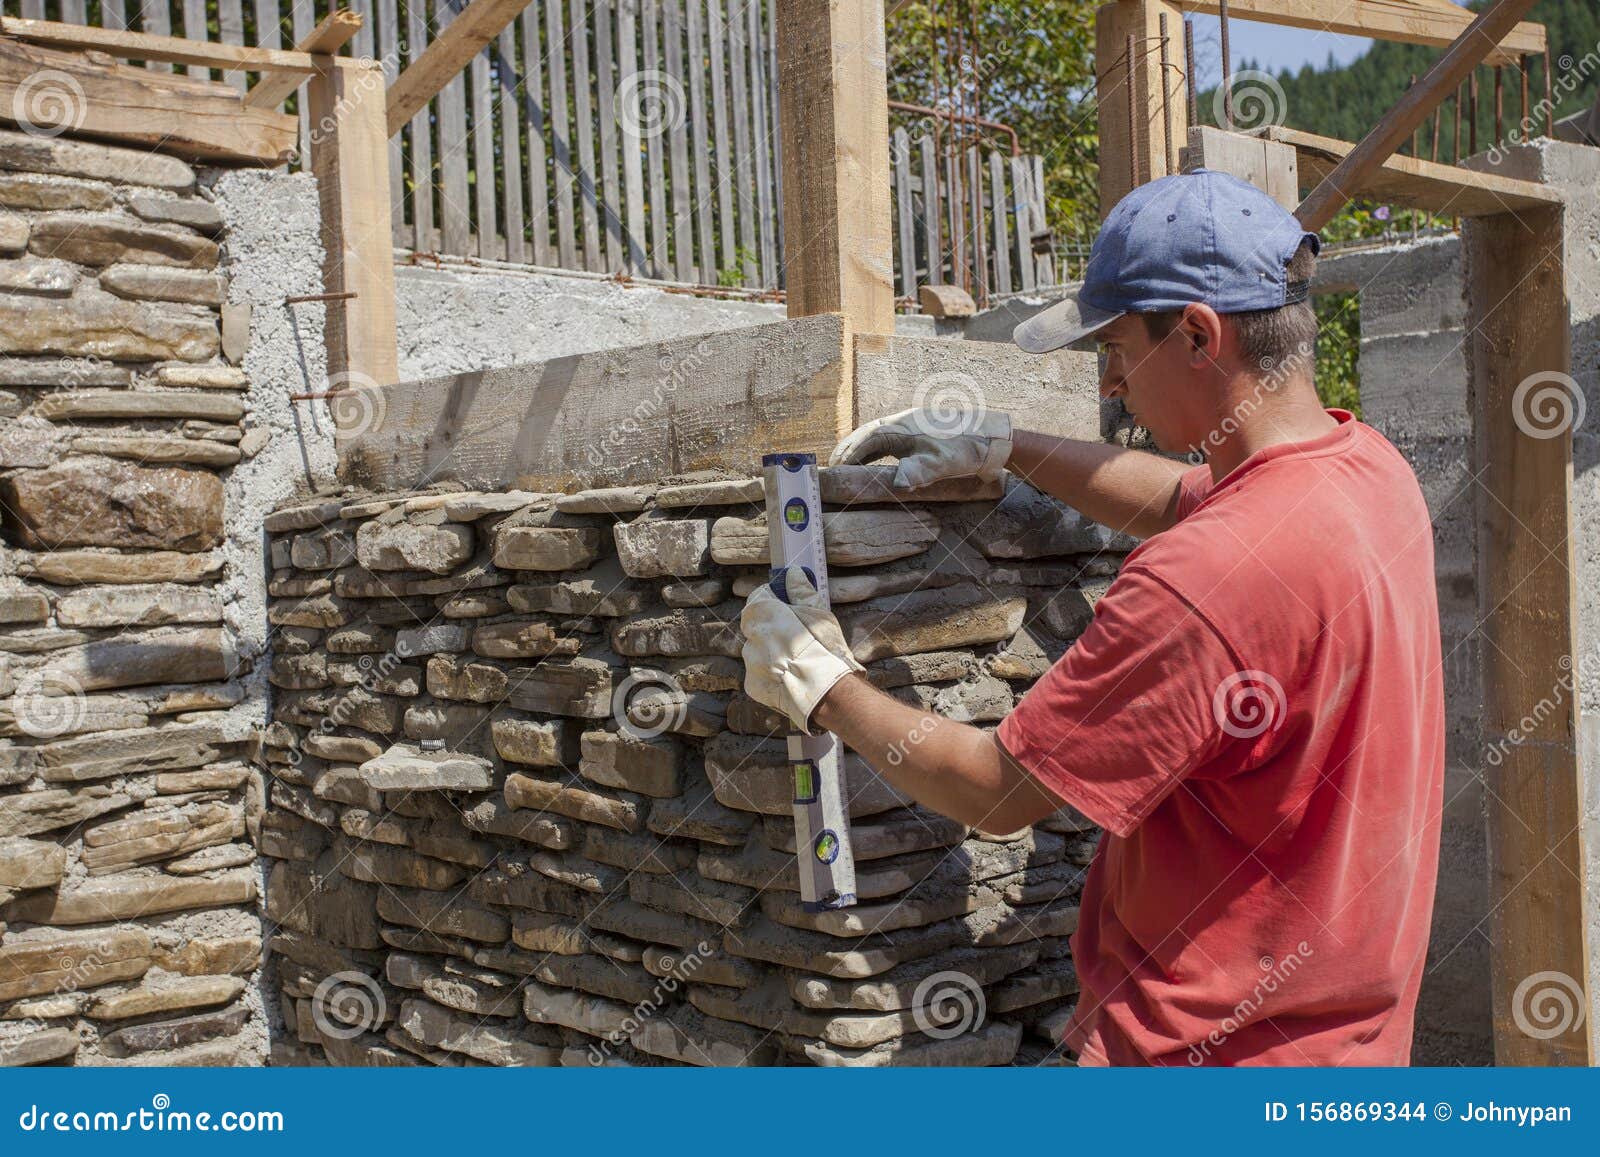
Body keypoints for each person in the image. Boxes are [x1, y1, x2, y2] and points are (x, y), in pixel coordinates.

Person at [739, 170, 1445, 1066]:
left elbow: (997, 790)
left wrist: (821, 684)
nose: (1108, 383)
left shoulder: (1203, 581)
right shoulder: (1369, 472)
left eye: (1114, 347)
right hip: (1354, 1047)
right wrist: (1009, 446)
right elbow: (1191, 496)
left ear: (1198, 333)